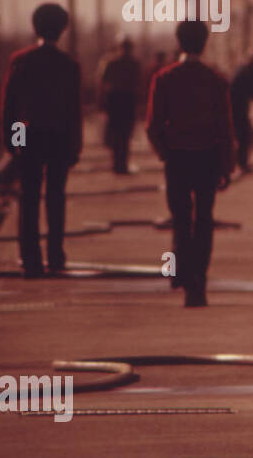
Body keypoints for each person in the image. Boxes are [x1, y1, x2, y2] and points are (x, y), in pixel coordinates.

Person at [146, 19, 234, 307]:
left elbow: (152, 125)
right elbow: (225, 127)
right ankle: (198, 281)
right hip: (208, 156)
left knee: (181, 218)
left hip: (178, 158)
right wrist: (227, 164)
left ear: (178, 42)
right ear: (205, 43)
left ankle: (182, 273)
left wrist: (165, 152)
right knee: (204, 219)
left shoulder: (164, 78)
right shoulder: (216, 80)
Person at [0, 4, 82, 277]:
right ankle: (56, 257)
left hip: (28, 135)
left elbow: (11, 106)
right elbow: (74, 111)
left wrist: (13, 141)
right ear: (62, 30)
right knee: (56, 196)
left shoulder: (21, 61)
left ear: (35, 27)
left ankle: (30, 260)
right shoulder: (69, 65)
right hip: (58, 135)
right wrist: (75, 144)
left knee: (29, 197)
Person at [96, 37, 141, 174]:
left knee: (116, 133)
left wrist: (101, 101)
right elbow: (138, 84)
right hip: (127, 100)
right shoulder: (134, 63)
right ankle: (122, 163)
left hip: (115, 99)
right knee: (125, 134)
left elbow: (102, 82)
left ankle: (117, 163)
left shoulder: (110, 62)